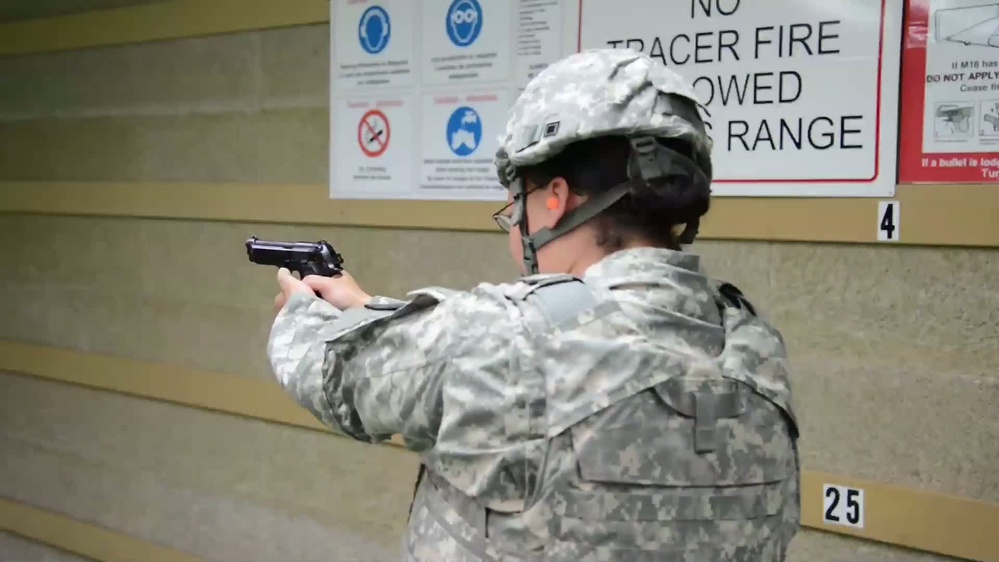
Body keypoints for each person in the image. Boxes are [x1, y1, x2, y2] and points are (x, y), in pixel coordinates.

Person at [268, 48, 800, 561]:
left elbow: (333, 374)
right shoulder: (752, 347)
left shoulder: (503, 341)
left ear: (555, 198)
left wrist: (303, 311)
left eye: (515, 205)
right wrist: (369, 308)